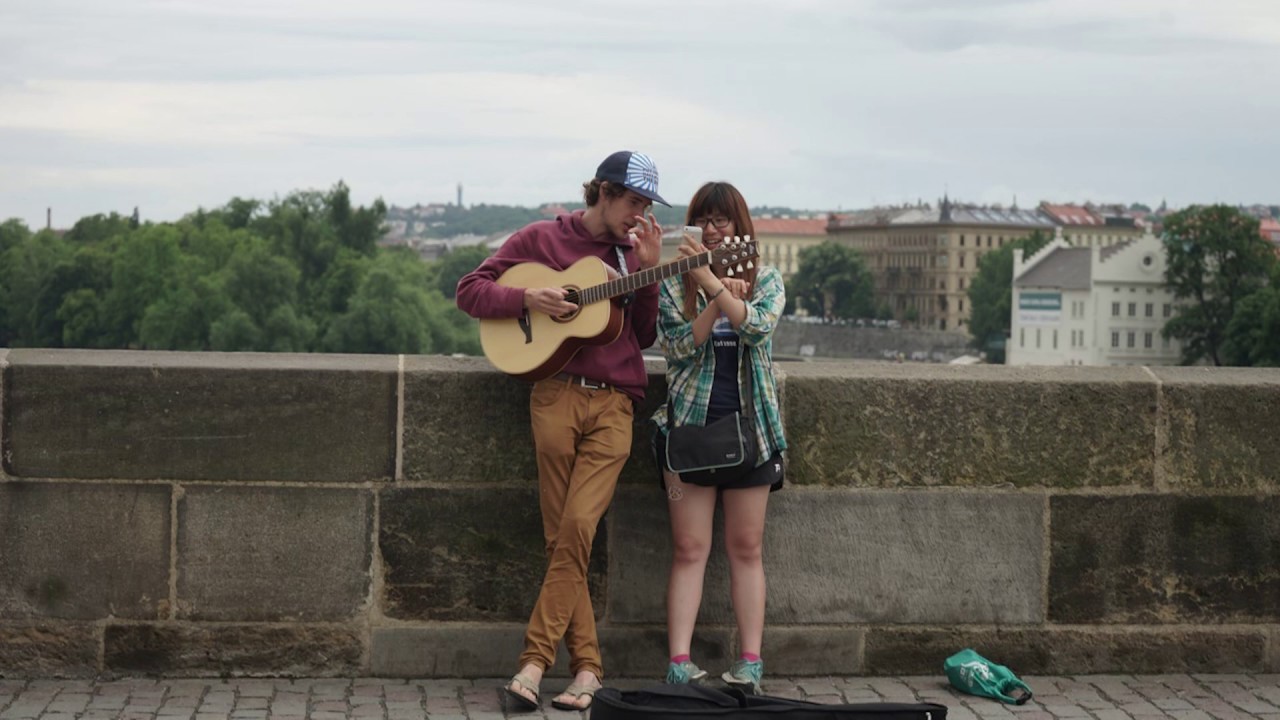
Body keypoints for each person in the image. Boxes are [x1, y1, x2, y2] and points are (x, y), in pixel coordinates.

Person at [455, 151, 668, 712]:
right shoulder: (540, 241)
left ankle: (533, 661)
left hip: (616, 405)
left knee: (577, 525)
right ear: (601, 192)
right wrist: (527, 297)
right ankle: (589, 672)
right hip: (554, 394)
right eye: (632, 202)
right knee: (562, 540)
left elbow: (642, 336)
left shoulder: (632, 257)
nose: (638, 215)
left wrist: (647, 277)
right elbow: (469, 290)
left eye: (646, 206)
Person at [651, 181, 787, 695]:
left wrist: (722, 289)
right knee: (689, 548)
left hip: (751, 432)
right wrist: (711, 289)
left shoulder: (769, 279)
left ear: (740, 227)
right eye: (703, 220)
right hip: (689, 434)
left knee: (746, 547)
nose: (711, 229)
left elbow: (756, 328)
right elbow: (680, 348)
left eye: (721, 220)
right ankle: (679, 662)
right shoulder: (674, 284)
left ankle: (751, 662)